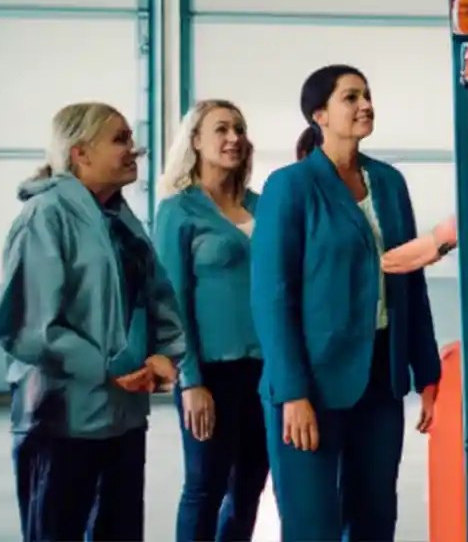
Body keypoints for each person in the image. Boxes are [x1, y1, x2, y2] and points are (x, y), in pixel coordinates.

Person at [251, 64, 443, 541]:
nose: (365, 105)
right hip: (311, 382)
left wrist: (427, 372)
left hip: (381, 377)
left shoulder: (390, 183)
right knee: (312, 524)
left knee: (376, 518)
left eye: (367, 95)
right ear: (320, 114)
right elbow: (273, 296)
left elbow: (409, 282)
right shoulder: (291, 186)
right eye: (351, 97)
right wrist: (293, 392)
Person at [0, 102, 186, 542]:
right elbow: (25, 325)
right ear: (80, 153)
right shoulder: (46, 216)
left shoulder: (121, 219)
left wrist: (165, 355)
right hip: (61, 422)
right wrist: (109, 369)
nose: (133, 150)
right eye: (120, 140)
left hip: (124, 418)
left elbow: (158, 297)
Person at [154, 99, 269, 542]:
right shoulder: (179, 210)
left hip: (267, 371)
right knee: (206, 486)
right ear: (196, 141)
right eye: (221, 129)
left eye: (239, 128)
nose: (233, 138)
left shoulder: (264, 206)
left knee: (250, 487)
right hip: (212, 374)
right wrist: (191, 381)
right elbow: (171, 302)